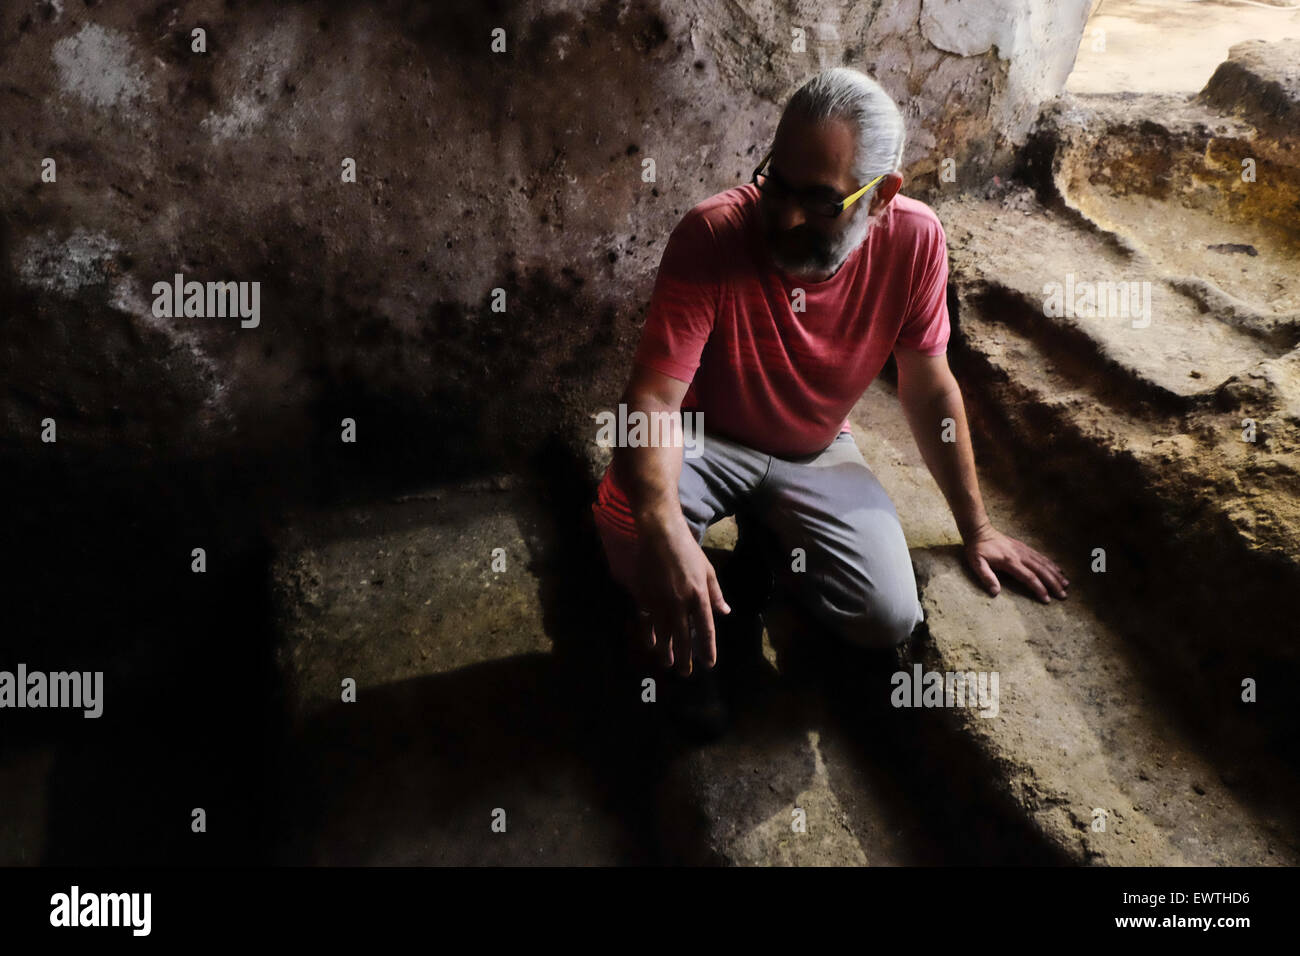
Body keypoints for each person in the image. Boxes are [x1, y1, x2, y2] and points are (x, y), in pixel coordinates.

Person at [591, 67, 1069, 738]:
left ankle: (759, 563)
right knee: (635, 545)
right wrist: (662, 519)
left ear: (881, 197)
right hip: (701, 437)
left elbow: (928, 385)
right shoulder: (713, 234)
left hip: (815, 448)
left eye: (818, 201)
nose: (784, 216)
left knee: (886, 617)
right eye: (775, 184)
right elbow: (651, 401)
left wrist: (977, 528)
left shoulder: (916, 241)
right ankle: (692, 650)